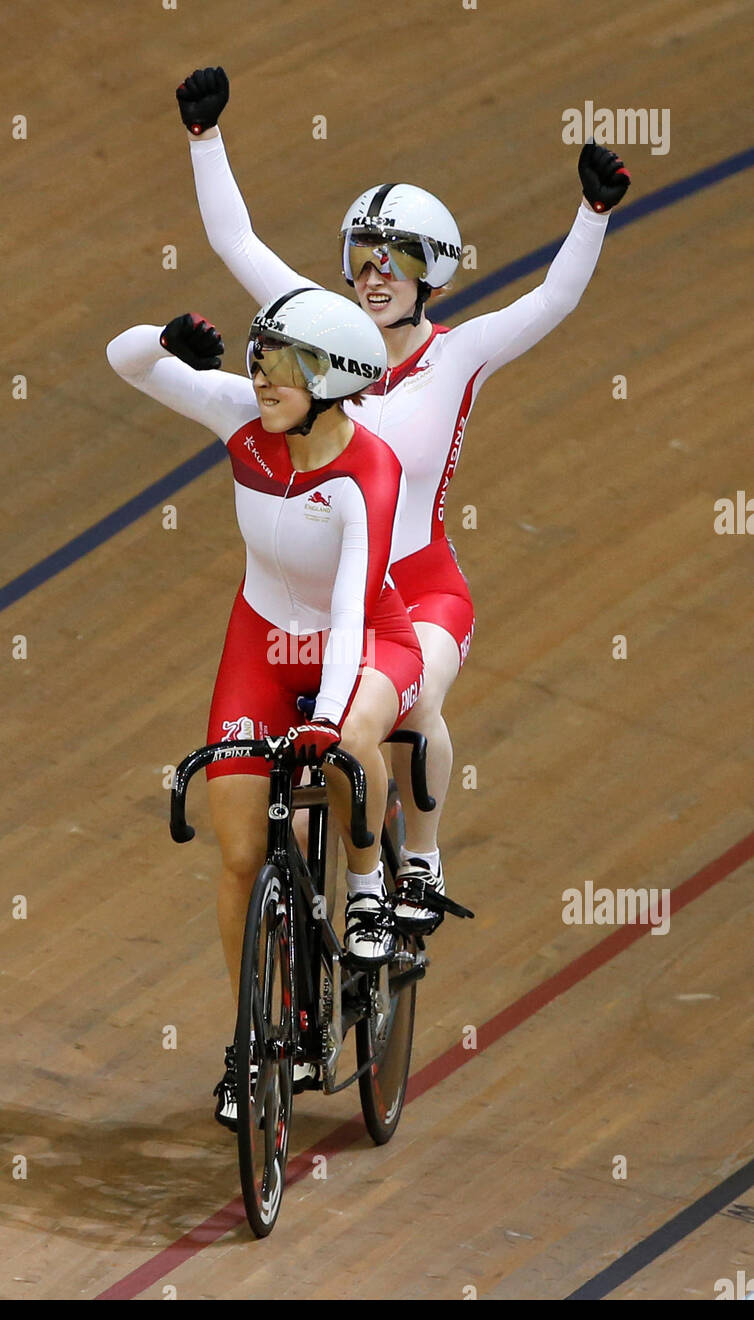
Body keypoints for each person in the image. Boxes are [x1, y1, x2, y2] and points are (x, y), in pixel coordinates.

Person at [175, 66, 631, 927]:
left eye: (399, 260)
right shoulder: (311, 322)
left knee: (405, 706)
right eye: (361, 258)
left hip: (417, 589)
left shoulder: (459, 355)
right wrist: (206, 141)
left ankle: (417, 856)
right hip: (321, 587)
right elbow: (237, 244)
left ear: (437, 275)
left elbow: (555, 298)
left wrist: (590, 216)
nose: (375, 275)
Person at [106, 287, 424, 1127]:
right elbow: (125, 362)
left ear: (333, 377)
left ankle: (364, 891)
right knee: (242, 849)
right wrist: (162, 335)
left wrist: (325, 717)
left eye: (280, 364)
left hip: (361, 640)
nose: (260, 377)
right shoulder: (243, 419)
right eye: (257, 358)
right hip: (261, 642)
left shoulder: (370, 469)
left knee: (354, 738)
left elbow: (353, 608)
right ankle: (252, 1039)